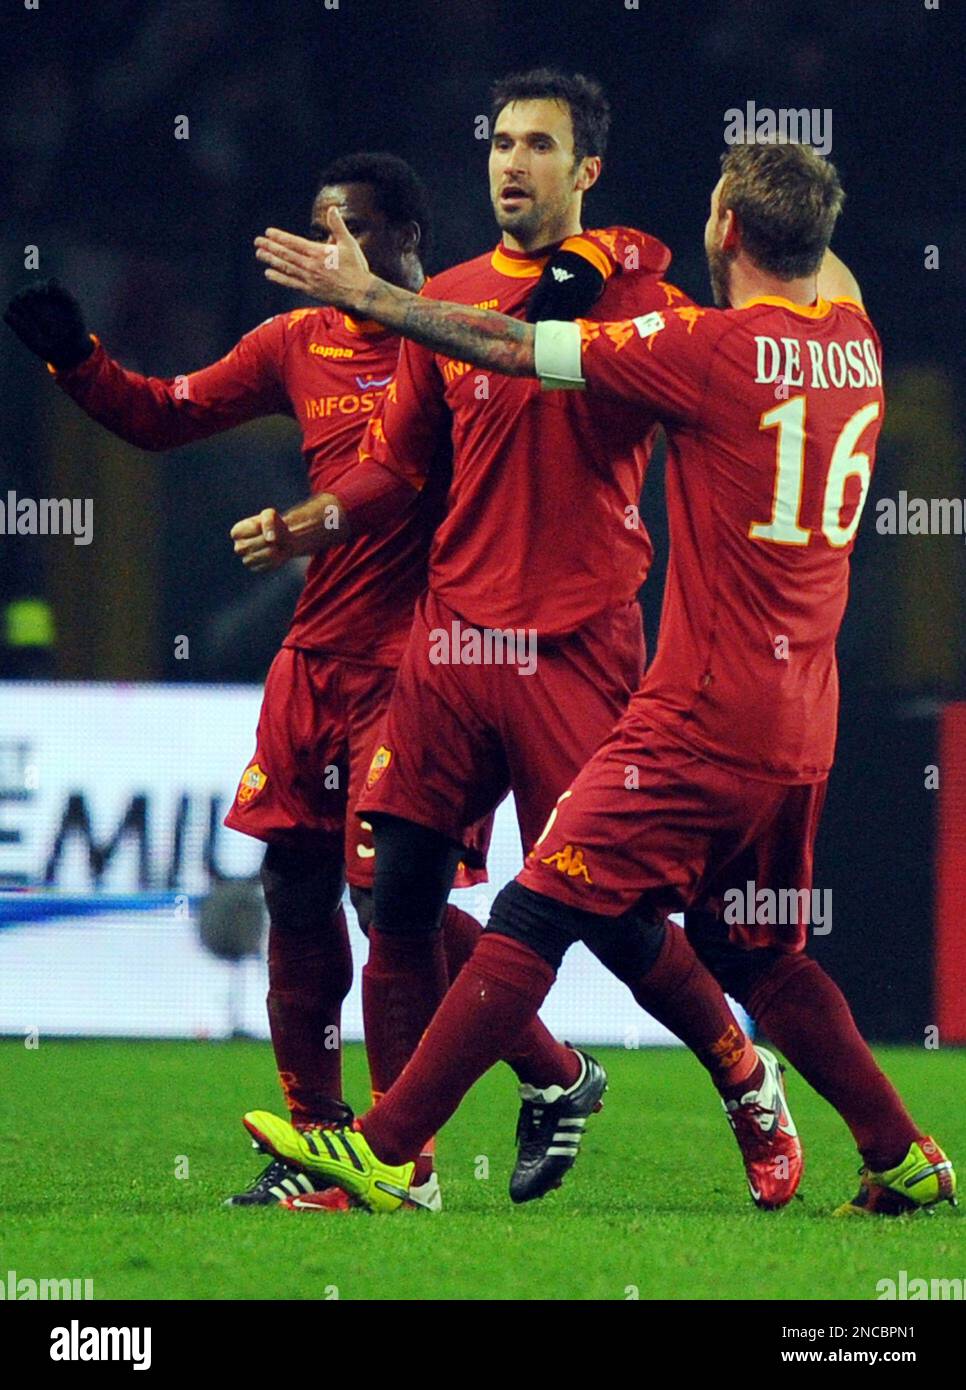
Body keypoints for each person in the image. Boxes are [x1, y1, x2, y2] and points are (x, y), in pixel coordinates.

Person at [242, 139, 956, 1218]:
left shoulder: (699, 347)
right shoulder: (853, 336)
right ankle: (906, 1156)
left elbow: (509, 344)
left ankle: (387, 1152)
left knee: (533, 908)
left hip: (698, 720)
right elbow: (822, 260)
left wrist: (375, 300)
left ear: (722, 230)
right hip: (804, 723)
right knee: (758, 951)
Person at [3, 153, 579, 1213]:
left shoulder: (456, 332)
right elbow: (167, 411)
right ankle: (319, 1136)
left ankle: (409, 1157)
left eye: (350, 230)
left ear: (408, 235)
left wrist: (312, 522)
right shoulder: (293, 342)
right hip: (316, 656)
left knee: (385, 902)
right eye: (318, 233)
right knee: (297, 890)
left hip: (427, 661)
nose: (330, 253)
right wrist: (78, 363)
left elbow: (408, 483)